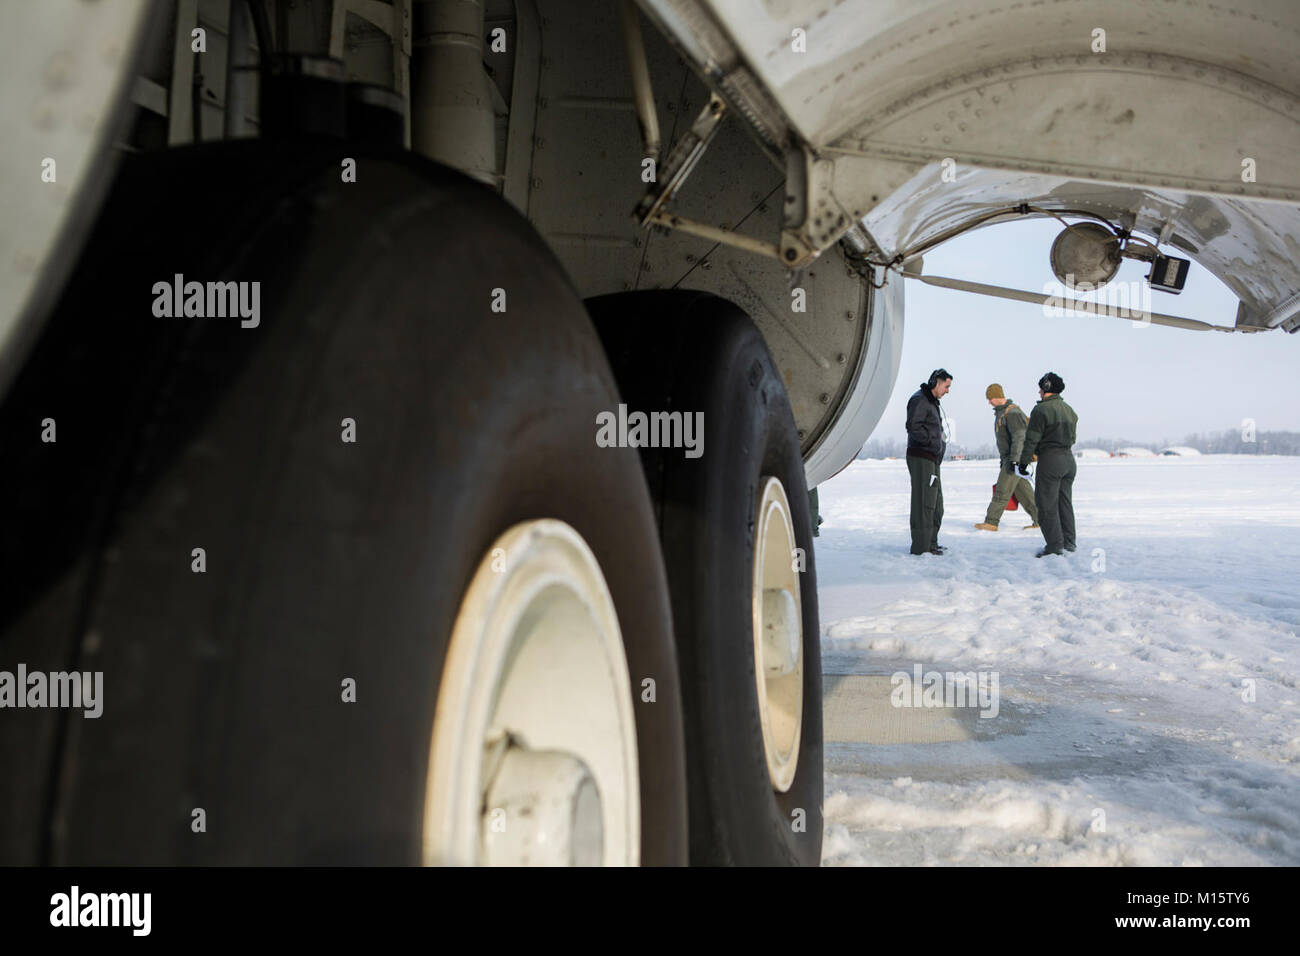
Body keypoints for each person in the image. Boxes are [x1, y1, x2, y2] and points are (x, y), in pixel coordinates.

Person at [1017, 372, 1079, 557]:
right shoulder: (1070, 410)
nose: (1038, 392)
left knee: (1046, 505)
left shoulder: (1041, 410)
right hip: (1069, 459)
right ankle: (1069, 543)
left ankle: (1054, 547)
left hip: (1051, 460)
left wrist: (1023, 462)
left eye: (1040, 388)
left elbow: (1031, 439)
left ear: (1046, 388)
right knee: (1064, 503)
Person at [974, 383, 1040, 532]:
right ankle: (1041, 519)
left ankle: (991, 522)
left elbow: (1020, 437)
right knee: (1025, 493)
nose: (989, 402)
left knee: (1002, 491)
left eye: (990, 398)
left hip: (1015, 460)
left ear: (997, 396)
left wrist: (1015, 461)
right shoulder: (1002, 412)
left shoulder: (1012, 413)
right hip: (1011, 459)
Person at [905, 369, 952, 555]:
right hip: (921, 457)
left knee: (935, 503)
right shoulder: (919, 400)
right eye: (946, 386)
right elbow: (913, 427)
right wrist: (932, 442)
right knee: (924, 502)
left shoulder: (931, 403)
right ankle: (921, 547)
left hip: (932, 458)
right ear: (936, 383)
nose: (948, 391)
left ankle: (931, 542)